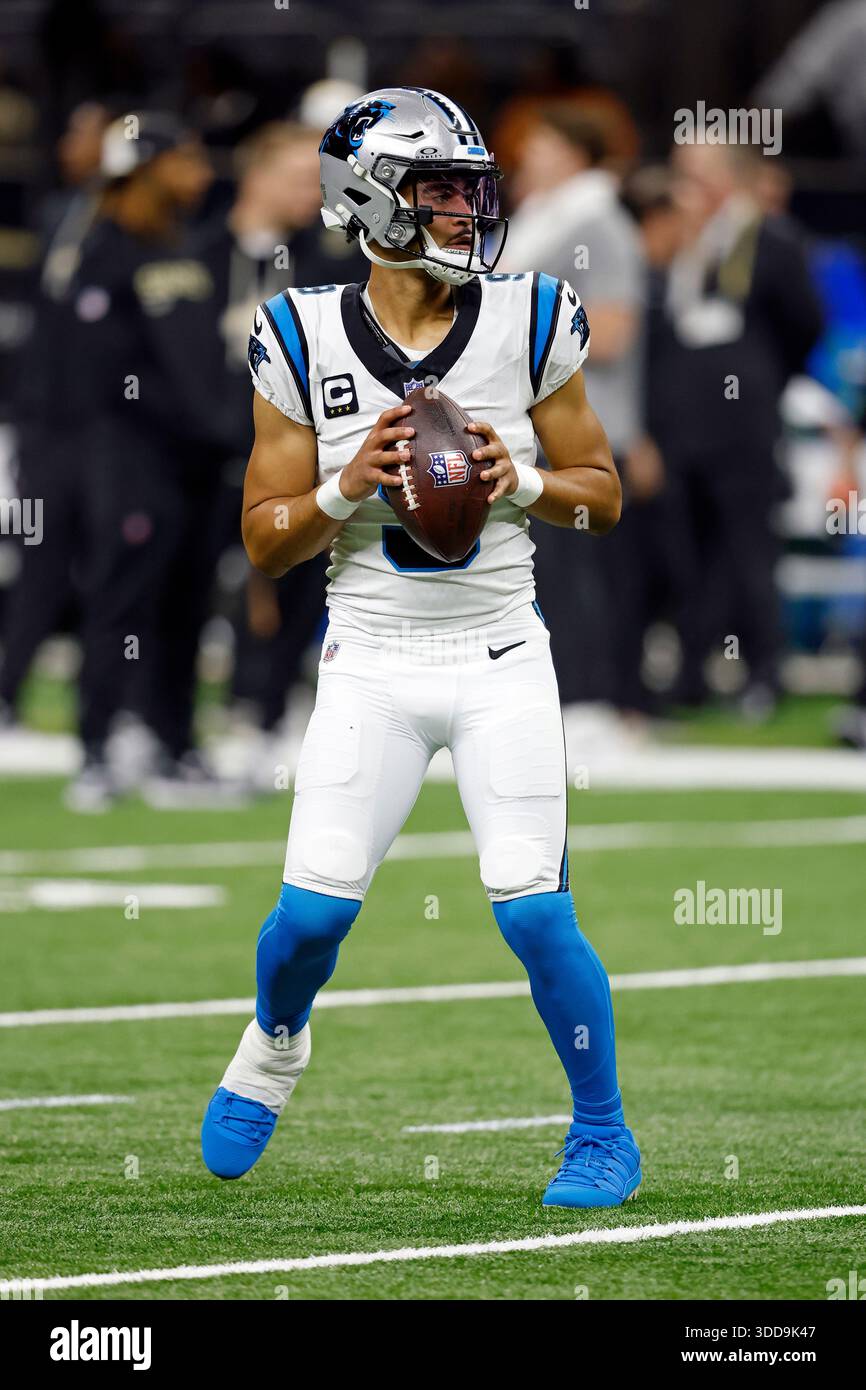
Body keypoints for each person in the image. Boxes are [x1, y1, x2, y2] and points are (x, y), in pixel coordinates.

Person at [200, 87, 641, 1210]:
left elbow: (605, 502)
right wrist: (346, 485)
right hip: (372, 665)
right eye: (436, 189)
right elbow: (263, 542)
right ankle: (274, 1042)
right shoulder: (296, 330)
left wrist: (526, 480)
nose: (464, 210)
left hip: (499, 654)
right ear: (366, 200)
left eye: (469, 188)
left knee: (534, 907)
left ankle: (601, 1131)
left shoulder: (535, 314)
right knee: (308, 920)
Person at [64, 113, 245, 810]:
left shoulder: (187, 249)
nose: (201, 176)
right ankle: (98, 747)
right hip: (133, 464)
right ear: (148, 169)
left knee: (186, 607)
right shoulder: (104, 252)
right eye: (187, 162)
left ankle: (174, 747)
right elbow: (104, 377)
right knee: (120, 603)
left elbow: (203, 366)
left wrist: (226, 432)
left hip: (196, 466)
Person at [660, 142, 824, 716]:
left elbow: (805, 322)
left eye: (696, 175)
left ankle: (763, 675)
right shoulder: (682, 241)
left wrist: (760, 378)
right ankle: (691, 677)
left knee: (749, 552)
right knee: (691, 554)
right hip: (686, 426)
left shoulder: (768, 238)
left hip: (744, 425)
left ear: (727, 180)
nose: (685, 186)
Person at [500, 107, 645, 712]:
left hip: (584, 425)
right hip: (537, 424)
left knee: (582, 575)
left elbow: (611, 332)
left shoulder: (597, 222)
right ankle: (564, 697)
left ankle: (593, 704)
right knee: (549, 572)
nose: (529, 157)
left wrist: (507, 336)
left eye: (543, 144)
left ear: (574, 154)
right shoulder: (543, 219)